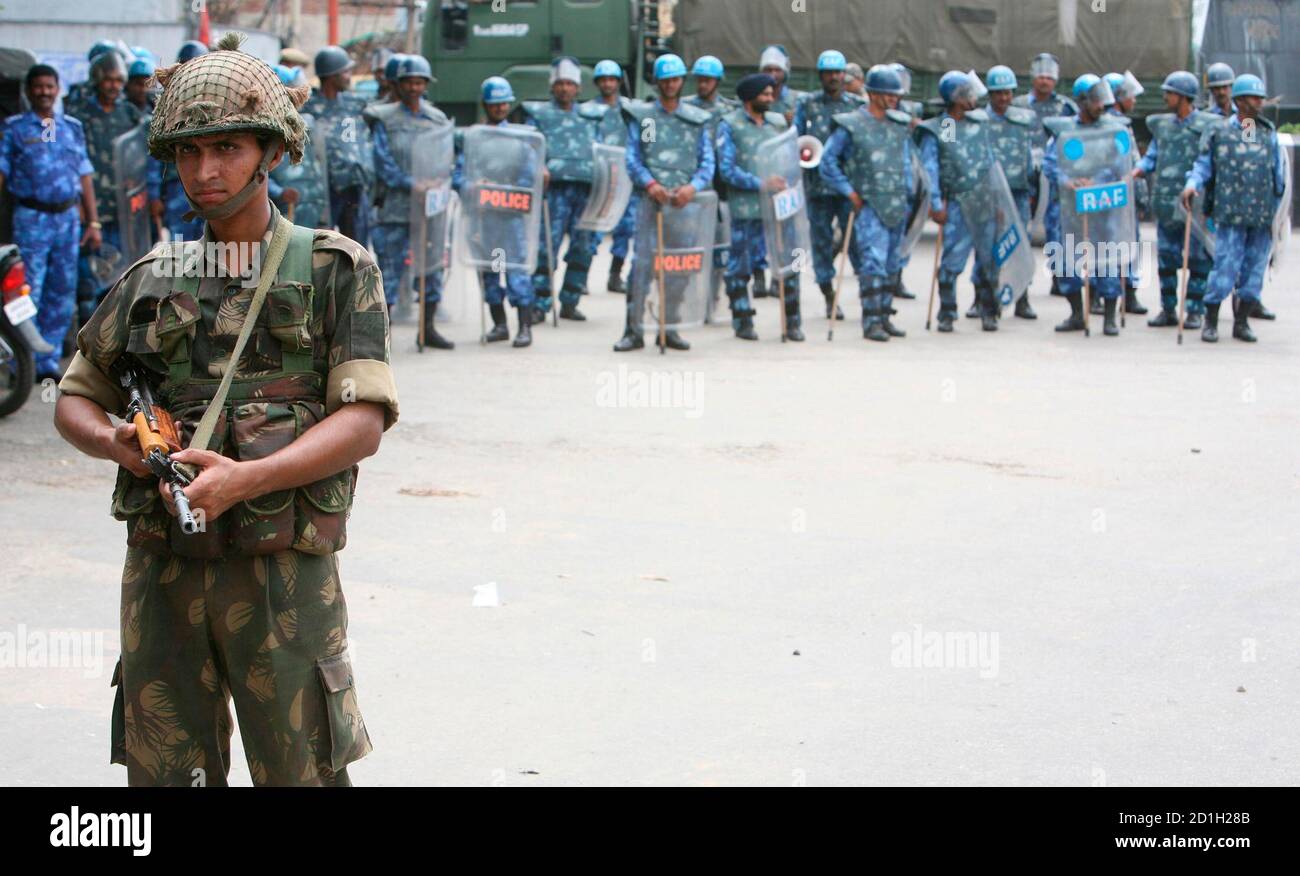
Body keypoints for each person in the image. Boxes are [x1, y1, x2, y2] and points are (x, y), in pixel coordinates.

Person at [52, 33, 394, 787]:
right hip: (166, 572)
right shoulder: (151, 276)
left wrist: (249, 477)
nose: (205, 172)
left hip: (282, 580)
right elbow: (75, 395)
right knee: (166, 774)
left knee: (299, 770)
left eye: (229, 149)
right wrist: (118, 441)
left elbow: (362, 420)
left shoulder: (337, 269)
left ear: (271, 151)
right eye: (188, 153)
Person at [0, 64, 98, 381]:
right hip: (32, 218)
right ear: (29, 91)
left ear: (57, 90)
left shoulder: (72, 127)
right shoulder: (14, 129)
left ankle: (48, 361)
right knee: (27, 290)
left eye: (49, 86)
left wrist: (93, 222)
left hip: (68, 220)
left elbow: (84, 175)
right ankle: (20, 361)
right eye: (38, 86)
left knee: (62, 291)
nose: (44, 91)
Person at [615, 53, 715, 352]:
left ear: (682, 81)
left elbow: (707, 162)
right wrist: (651, 183)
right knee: (642, 267)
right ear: (657, 82)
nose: (671, 84)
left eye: (676, 79)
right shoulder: (647, 120)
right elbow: (636, 156)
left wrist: (693, 187)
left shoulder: (695, 121)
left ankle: (669, 327)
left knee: (678, 267)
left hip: (683, 206)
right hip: (651, 204)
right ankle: (633, 331)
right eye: (666, 79)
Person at [1182, 74, 1286, 343]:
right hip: (1230, 214)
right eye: (1254, 98)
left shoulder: (1265, 132)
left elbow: (1278, 174)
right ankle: (1211, 321)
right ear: (1239, 101)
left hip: (1261, 217)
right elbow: (1203, 165)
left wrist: (1279, 212)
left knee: (1253, 271)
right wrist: (1192, 184)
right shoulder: (1219, 131)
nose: (1259, 102)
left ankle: (1241, 323)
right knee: (1224, 269)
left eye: (1261, 98)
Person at [820, 64, 915, 341]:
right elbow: (827, 162)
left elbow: (906, 161)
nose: (894, 99)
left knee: (892, 263)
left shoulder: (899, 124)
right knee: (872, 262)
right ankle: (870, 320)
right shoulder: (851, 124)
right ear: (873, 94)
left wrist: (909, 193)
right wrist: (848, 192)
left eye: (896, 94)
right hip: (869, 204)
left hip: (897, 202)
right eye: (889, 94)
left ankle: (885, 316)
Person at [368, 54, 455, 348]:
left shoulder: (437, 119)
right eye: (409, 82)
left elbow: (447, 158)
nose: (414, 88)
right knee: (390, 271)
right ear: (398, 85)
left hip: (430, 209)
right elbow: (382, 162)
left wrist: (437, 183)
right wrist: (411, 184)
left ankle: (426, 328)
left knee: (431, 269)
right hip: (395, 207)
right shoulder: (383, 117)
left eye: (419, 82)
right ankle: (383, 336)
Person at [1042, 74, 1131, 336]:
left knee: (1106, 260)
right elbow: (1050, 163)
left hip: (1102, 206)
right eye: (1095, 100)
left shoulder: (1113, 130)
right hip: (1071, 207)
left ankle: (1110, 318)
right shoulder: (1064, 131)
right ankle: (1077, 314)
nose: (1101, 105)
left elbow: (1121, 163)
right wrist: (1067, 181)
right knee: (1067, 260)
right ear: (1082, 102)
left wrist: (1096, 181)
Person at [716, 73, 802, 341]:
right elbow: (726, 169)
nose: (770, 98)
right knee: (740, 268)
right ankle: (742, 321)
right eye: (764, 94)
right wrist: (760, 183)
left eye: (770, 93)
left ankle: (792, 322)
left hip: (778, 209)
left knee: (789, 266)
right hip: (746, 209)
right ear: (750, 97)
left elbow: (788, 157)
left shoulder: (776, 123)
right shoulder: (729, 125)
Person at [522, 57, 608, 323]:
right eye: (560, 84)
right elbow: (528, 148)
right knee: (546, 249)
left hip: (585, 192)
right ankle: (540, 303)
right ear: (552, 87)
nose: (565, 89)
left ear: (578, 88)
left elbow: (604, 153)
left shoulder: (592, 117)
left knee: (583, 248)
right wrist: (539, 168)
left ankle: (571, 300)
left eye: (570, 84)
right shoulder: (538, 114)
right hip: (553, 193)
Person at [916, 71, 1001, 332]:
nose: (973, 98)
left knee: (989, 260)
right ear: (956, 98)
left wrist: (999, 202)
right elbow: (937, 165)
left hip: (984, 202)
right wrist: (937, 204)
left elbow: (989, 163)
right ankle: (947, 311)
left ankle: (989, 310)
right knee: (953, 260)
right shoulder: (947, 127)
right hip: (958, 202)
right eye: (967, 94)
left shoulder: (978, 123)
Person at [455, 77, 537, 347]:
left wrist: (510, 190)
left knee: (517, 271)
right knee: (489, 272)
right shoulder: (474, 139)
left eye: (504, 103)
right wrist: (473, 186)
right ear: (486, 105)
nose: (500, 108)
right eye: (495, 103)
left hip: (511, 219)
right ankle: (499, 324)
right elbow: (458, 175)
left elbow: (529, 176)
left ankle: (525, 326)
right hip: (483, 219)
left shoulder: (521, 139)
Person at [1132, 71, 1214, 329]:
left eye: (1170, 93)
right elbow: (1153, 155)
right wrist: (1138, 168)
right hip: (1166, 201)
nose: (1165, 97)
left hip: (1195, 203)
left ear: (1183, 97)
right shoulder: (1163, 125)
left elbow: (1208, 160)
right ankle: (1168, 309)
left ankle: (1194, 311)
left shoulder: (1206, 125)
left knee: (1198, 258)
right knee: (1166, 257)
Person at [69, 49, 145, 323]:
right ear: (96, 79)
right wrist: (81, 208)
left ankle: (111, 336)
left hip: (123, 211)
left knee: (119, 279)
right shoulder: (78, 115)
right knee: (88, 281)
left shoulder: (130, 115)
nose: (113, 85)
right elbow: (72, 165)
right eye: (107, 79)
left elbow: (141, 159)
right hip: (90, 212)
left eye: (117, 80)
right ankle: (85, 344)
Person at [795, 50, 861, 320]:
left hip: (848, 187)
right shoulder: (807, 103)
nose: (833, 78)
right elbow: (796, 137)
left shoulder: (856, 105)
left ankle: (871, 294)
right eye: (828, 73)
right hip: (817, 186)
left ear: (844, 75)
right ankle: (828, 293)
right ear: (820, 76)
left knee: (854, 239)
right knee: (820, 241)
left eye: (837, 73)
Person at [1013, 53, 1077, 300]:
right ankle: (1019, 284)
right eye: (1040, 75)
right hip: (1021, 175)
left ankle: (1060, 277)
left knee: (1056, 228)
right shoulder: (1018, 105)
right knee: (1017, 226)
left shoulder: (1065, 107)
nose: (1044, 81)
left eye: (1049, 76)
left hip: (1054, 176)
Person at [302, 45, 375, 247]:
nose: (349, 76)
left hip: (354, 187)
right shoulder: (309, 108)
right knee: (322, 245)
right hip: (324, 190)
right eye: (345, 71)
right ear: (331, 75)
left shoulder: (355, 104)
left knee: (357, 248)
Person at [983, 65, 1038, 319]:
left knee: (1020, 246)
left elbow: (1032, 154)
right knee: (989, 246)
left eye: (1008, 93)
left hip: (1018, 193)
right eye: (998, 93)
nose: (1003, 98)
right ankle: (982, 299)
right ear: (989, 94)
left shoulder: (1024, 118)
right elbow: (950, 138)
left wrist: (1033, 186)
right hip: (988, 194)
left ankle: (1022, 299)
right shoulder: (977, 120)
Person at [147, 43, 208, 245]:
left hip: (212, 185)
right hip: (178, 187)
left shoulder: (218, 99)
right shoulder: (169, 104)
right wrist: (155, 196)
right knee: (182, 248)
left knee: (213, 245)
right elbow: (154, 156)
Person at [588, 60, 637, 294]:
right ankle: (579, 279)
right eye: (603, 80)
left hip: (627, 176)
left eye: (612, 79)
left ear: (618, 82)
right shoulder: (588, 110)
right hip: (600, 176)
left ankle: (616, 275)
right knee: (592, 228)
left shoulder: (632, 108)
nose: (608, 84)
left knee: (626, 228)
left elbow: (649, 135)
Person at [759, 44, 801, 124]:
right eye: (768, 70)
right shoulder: (755, 99)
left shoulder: (797, 100)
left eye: (777, 70)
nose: (772, 74)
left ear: (784, 72)